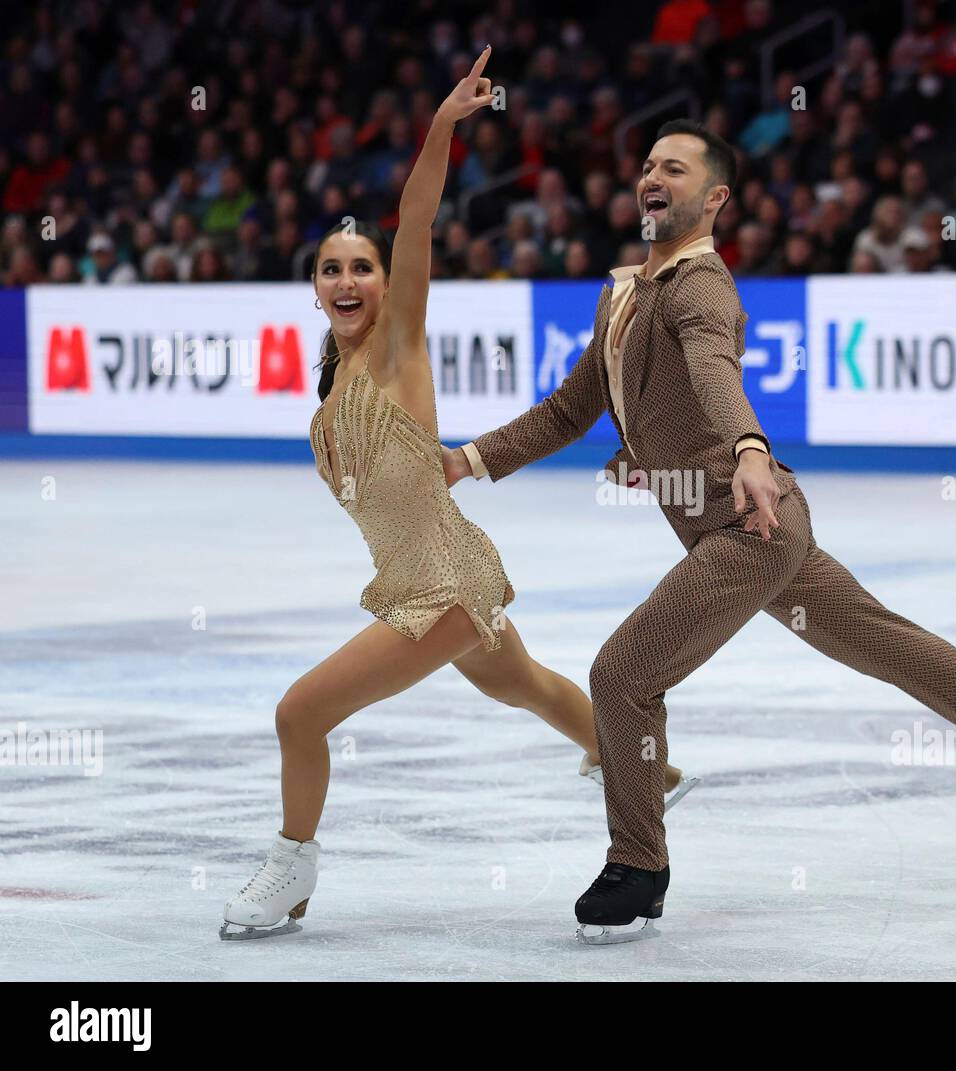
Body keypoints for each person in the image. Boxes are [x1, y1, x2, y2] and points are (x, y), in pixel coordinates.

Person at [442, 119, 956, 943]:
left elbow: (716, 374)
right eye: (648, 164)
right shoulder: (623, 293)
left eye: (675, 169)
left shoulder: (700, 288)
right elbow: (569, 409)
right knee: (877, 637)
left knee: (621, 675)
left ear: (714, 197)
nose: (653, 176)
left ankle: (637, 865)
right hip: (758, 525)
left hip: (748, 525)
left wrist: (750, 449)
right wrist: (467, 460)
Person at [220, 49, 693, 941]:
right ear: (315, 288)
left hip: (441, 585)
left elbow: (418, 216)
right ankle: (642, 763)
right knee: (532, 689)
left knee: (300, 712)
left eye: (362, 267)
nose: (350, 281)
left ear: (385, 282)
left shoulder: (399, 346)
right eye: (332, 270)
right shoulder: (333, 381)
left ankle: (290, 872)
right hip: (430, 575)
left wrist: (440, 126)